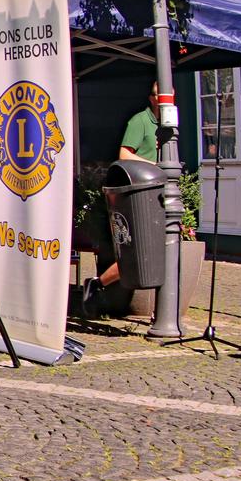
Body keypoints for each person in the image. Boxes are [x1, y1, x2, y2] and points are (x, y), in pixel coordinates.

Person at [82, 82, 160, 313]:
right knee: (136, 252)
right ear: (151, 98)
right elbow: (124, 155)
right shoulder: (140, 121)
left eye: (169, 95)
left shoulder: (169, 124)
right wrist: (156, 166)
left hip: (161, 193)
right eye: (159, 95)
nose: (164, 99)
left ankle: (162, 311)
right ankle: (98, 284)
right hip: (139, 194)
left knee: (163, 248)